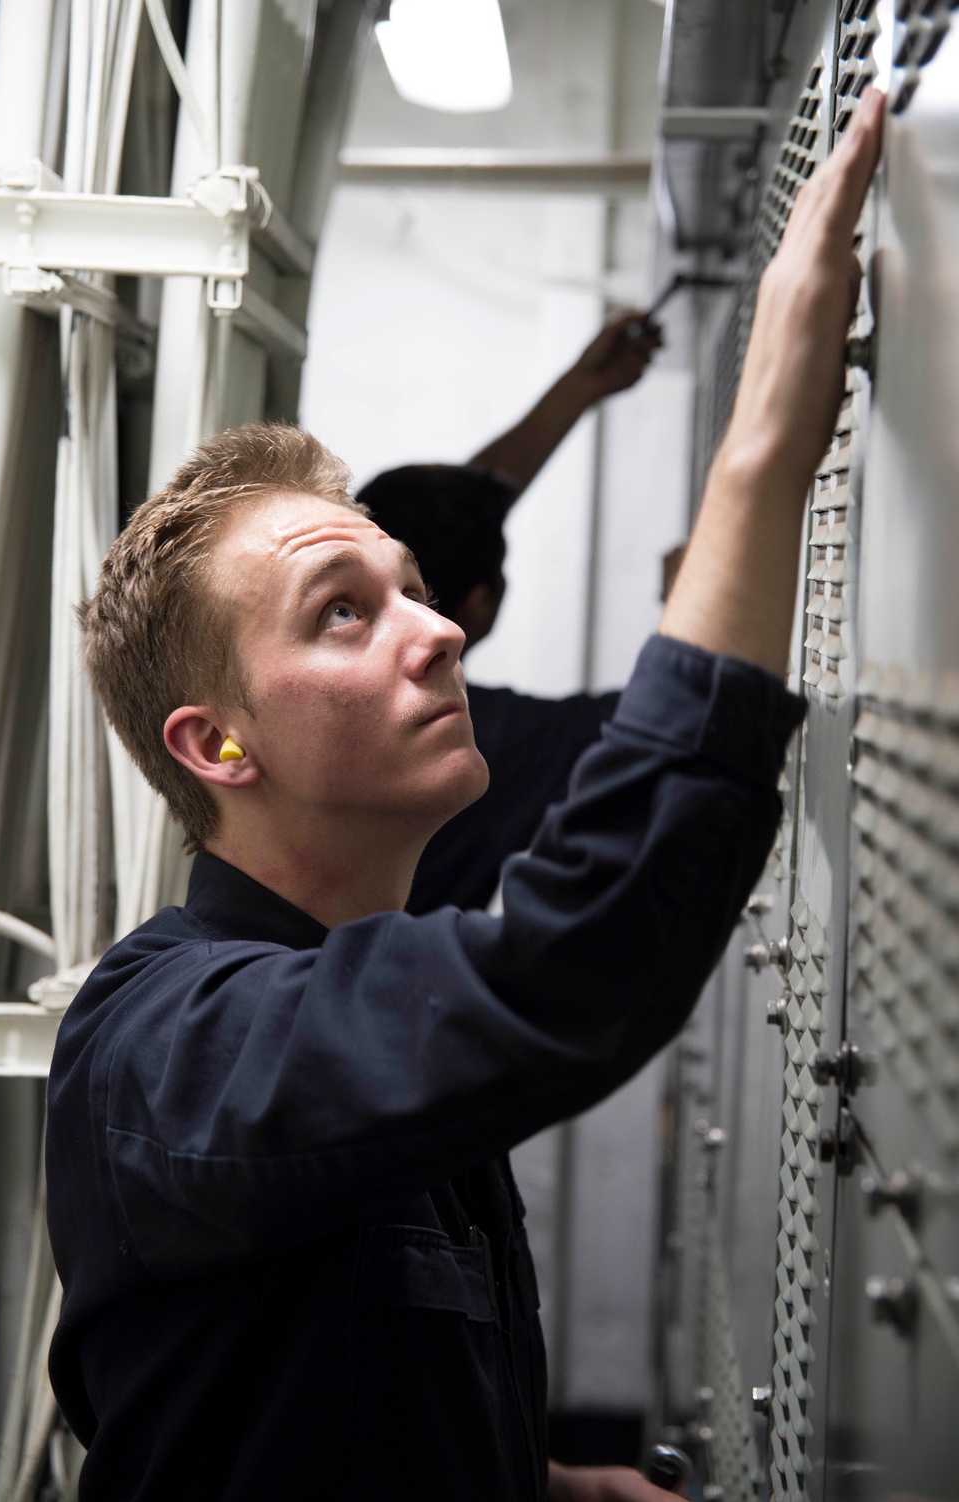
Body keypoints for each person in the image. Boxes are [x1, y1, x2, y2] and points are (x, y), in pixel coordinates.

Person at [45, 90, 885, 1502]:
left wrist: (536, 1482)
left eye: (419, 592)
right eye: (343, 612)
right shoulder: (170, 1045)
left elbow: (299, 1398)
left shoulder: (360, 1002)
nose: (438, 633)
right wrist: (765, 450)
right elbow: (576, 961)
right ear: (218, 746)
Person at [356, 313, 662, 915]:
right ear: (480, 603)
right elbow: (671, 717)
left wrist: (580, 387)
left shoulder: (330, 698)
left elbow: (445, 522)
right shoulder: (473, 739)